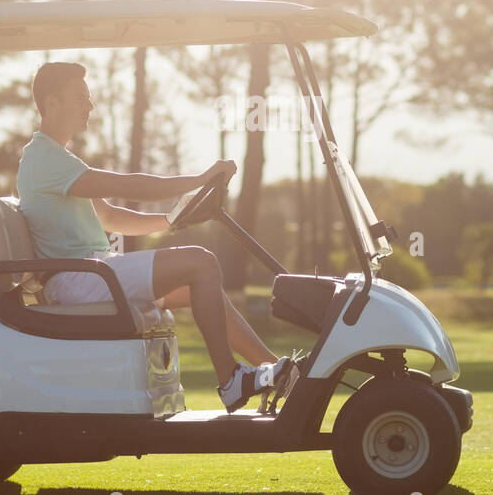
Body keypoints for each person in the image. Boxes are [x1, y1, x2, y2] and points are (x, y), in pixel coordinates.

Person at [16, 61, 296, 414]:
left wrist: (169, 220)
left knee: (203, 283)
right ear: (51, 102)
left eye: (88, 98)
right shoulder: (43, 158)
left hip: (94, 272)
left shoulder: (59, 159)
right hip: (79, 279)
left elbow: (110, 217)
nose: (90, 106)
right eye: (80, 98)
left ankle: (280, 374)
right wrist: (198, 179)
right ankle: (229, 379)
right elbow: (127, 186)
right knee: (202, 262)